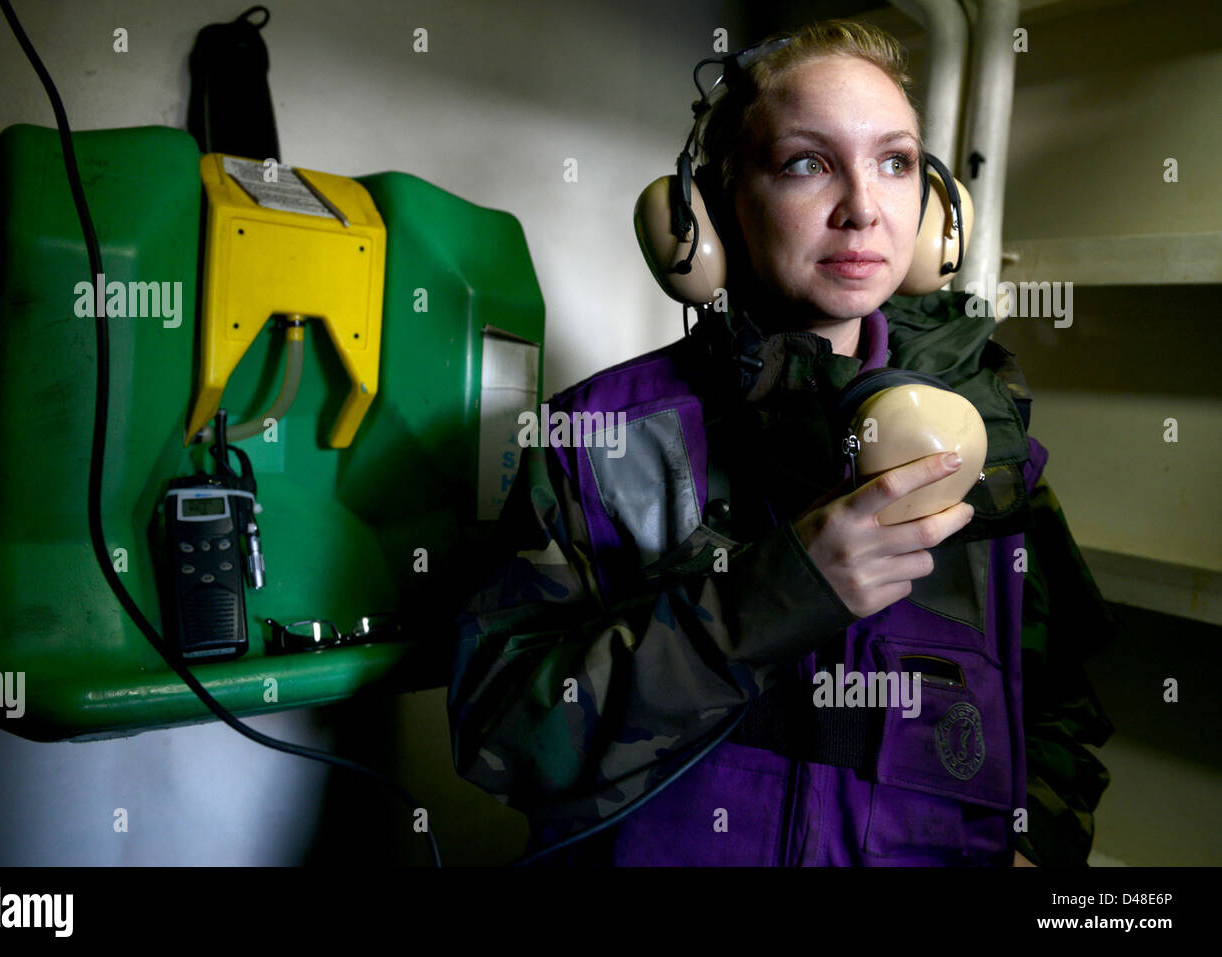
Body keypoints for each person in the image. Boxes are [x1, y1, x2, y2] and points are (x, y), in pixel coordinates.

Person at [447, 19, 1114, 866]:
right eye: (807, 163)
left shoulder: (995, 446)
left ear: (938, 212)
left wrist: (1040, 846)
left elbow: (1062, 710)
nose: (863, 208)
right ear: (710, 214)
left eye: (896, 162)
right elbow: (498, 736)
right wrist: (765, 600)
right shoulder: (597, 436)